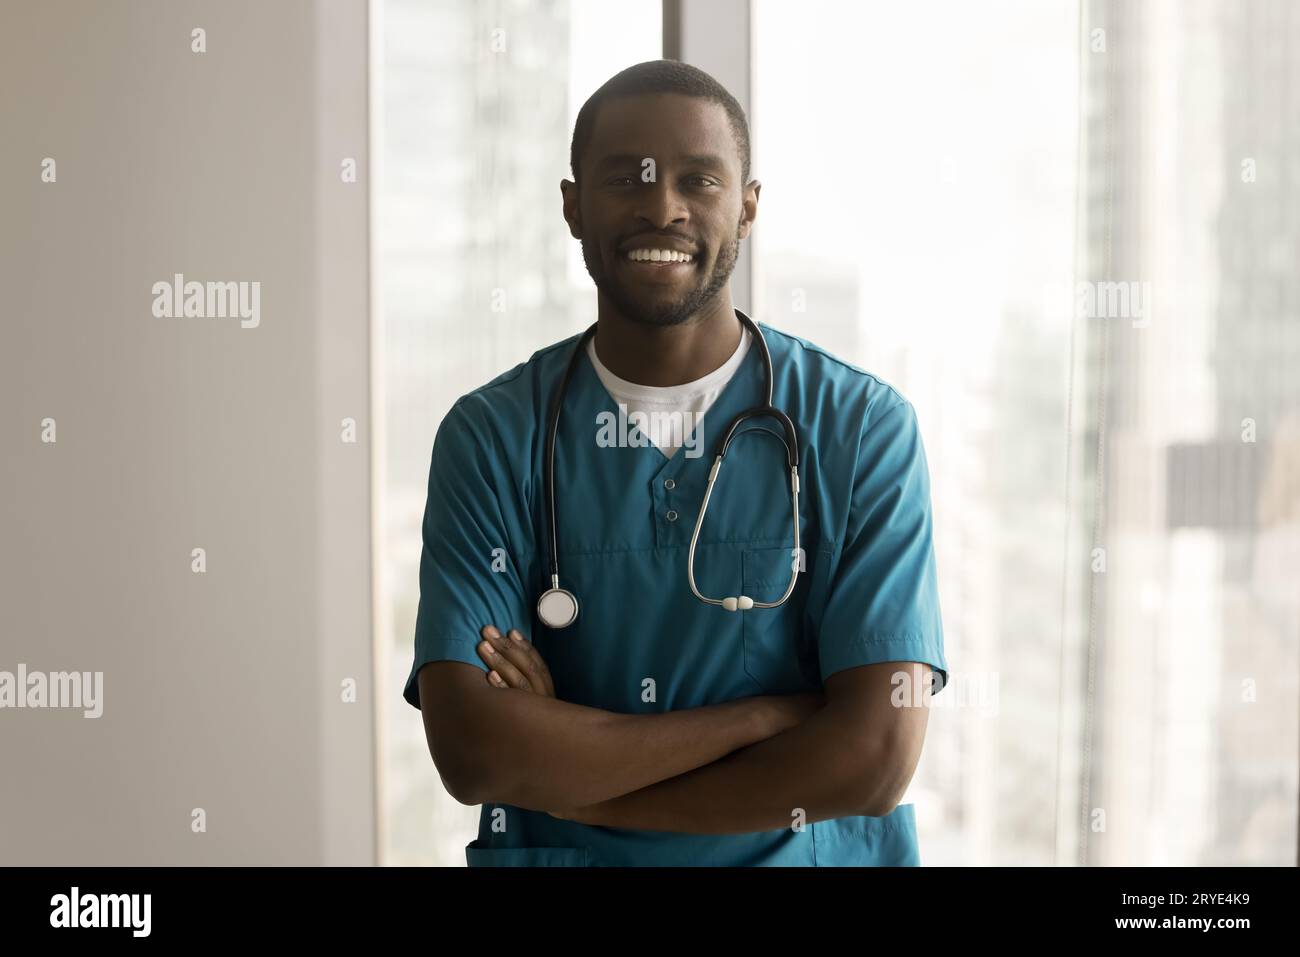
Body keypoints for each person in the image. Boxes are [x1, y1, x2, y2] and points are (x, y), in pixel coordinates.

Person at [404, 59, 948, 866]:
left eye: (700, 179)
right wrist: (766, 717)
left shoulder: (861, 429)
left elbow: (872, 758)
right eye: (627, 179)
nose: (663, 206)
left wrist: (569, 775)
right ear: (573, 206)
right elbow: (476, 751)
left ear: (748, 207)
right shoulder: (490, 436)